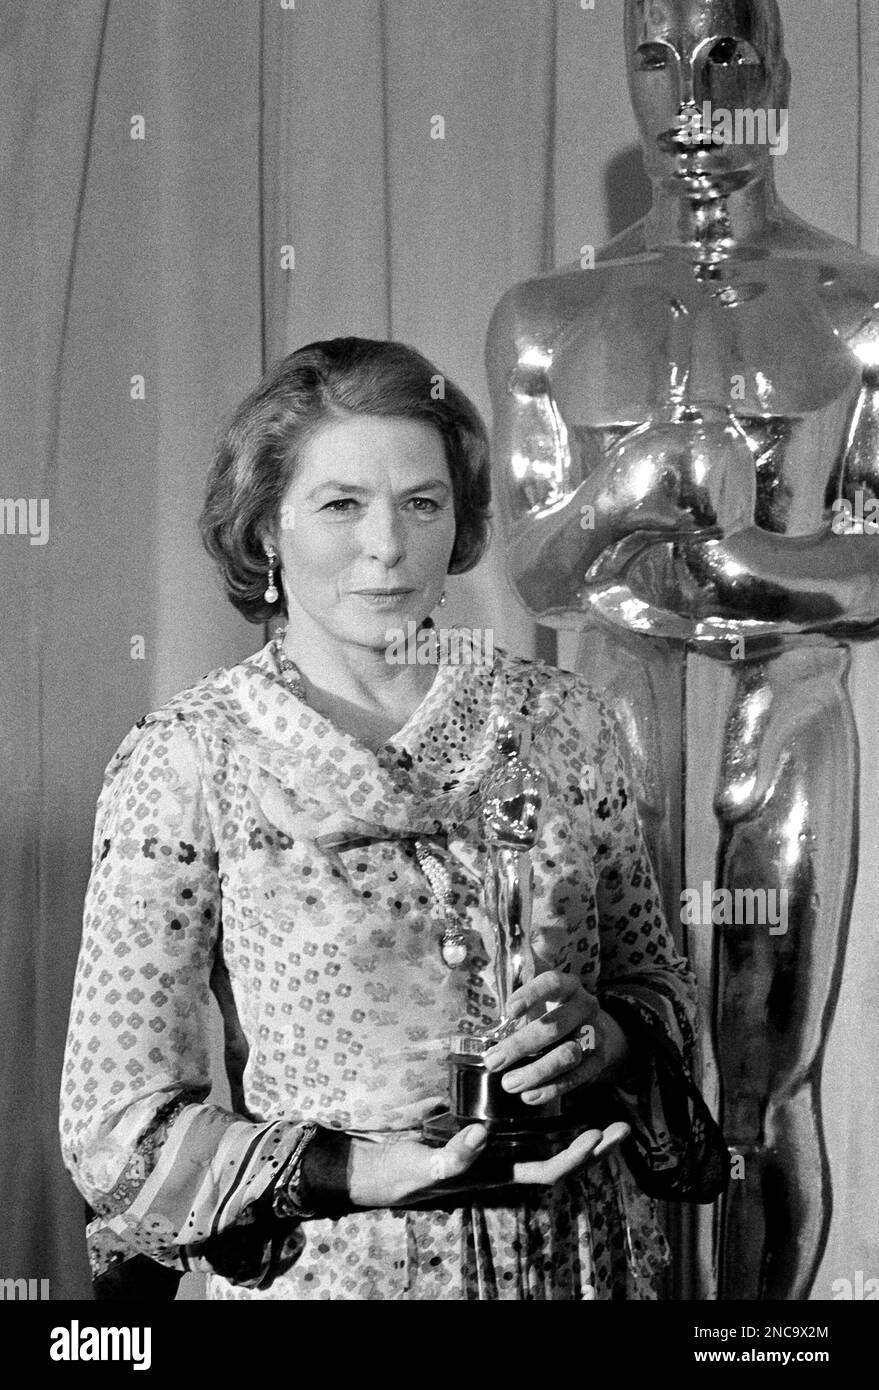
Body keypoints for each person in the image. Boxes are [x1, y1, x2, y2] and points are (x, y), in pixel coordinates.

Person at [59, 337, 728, 1301]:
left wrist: (604, 1041)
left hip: (583, 1265)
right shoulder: (192, 756)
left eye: (422, 503)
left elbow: (656, 990)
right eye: (341, 506)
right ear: (263, 533)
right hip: (344, 1272)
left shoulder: (568, 724)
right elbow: (113, 1122)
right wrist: (373, 1173)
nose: (387, 546)